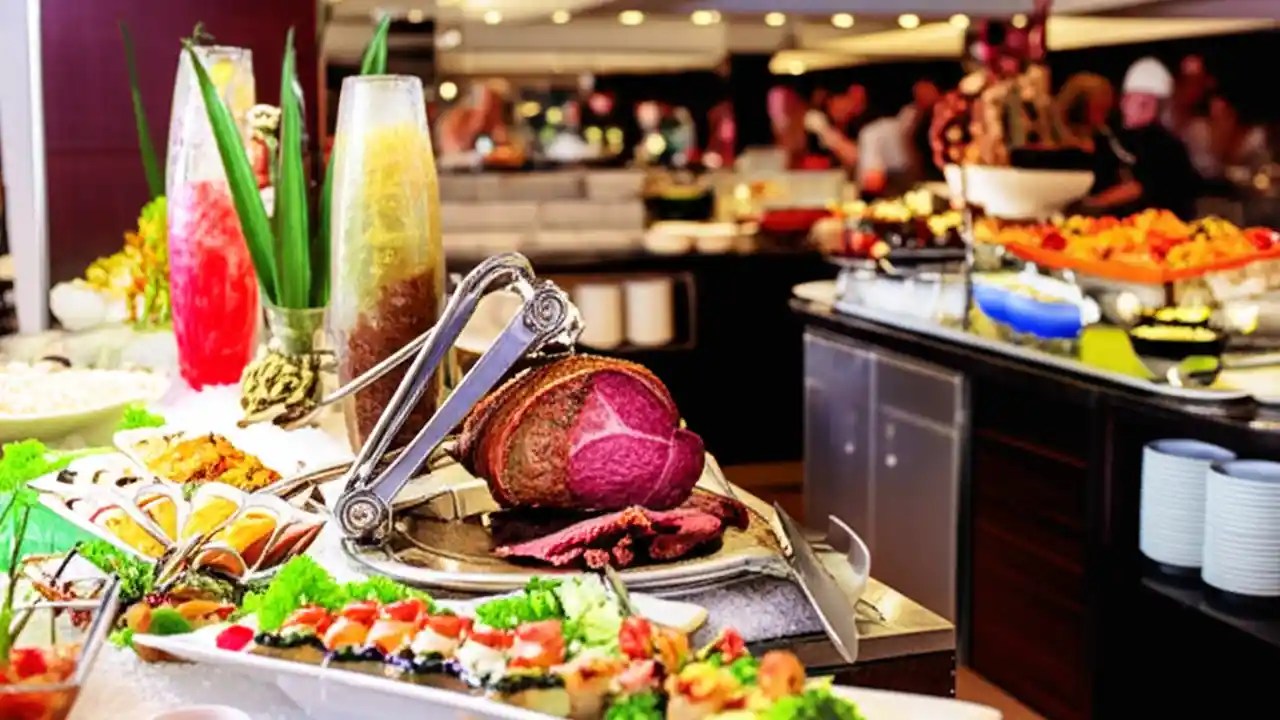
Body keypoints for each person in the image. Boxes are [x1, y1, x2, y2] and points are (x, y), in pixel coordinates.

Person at [1081, 57, 1198, 220]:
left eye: (1149, 103)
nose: (1143, 108)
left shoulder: (1165, 145)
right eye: (1138, 100)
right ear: (1123, 101)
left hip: (1162, 231)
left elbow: (1142, 186)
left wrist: (1092, 205)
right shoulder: (1111, 139)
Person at [1183, 94, 1269, 183]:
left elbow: (1258, 173)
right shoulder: (1197, 131)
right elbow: (1205, 171)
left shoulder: (1255, 137)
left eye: (1226, 113)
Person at [898, 79, 942, 182]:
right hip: (922, 170)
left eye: (926, 93)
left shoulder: (946, 111)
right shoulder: (912, 114)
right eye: (918, 94)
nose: (922, 97)